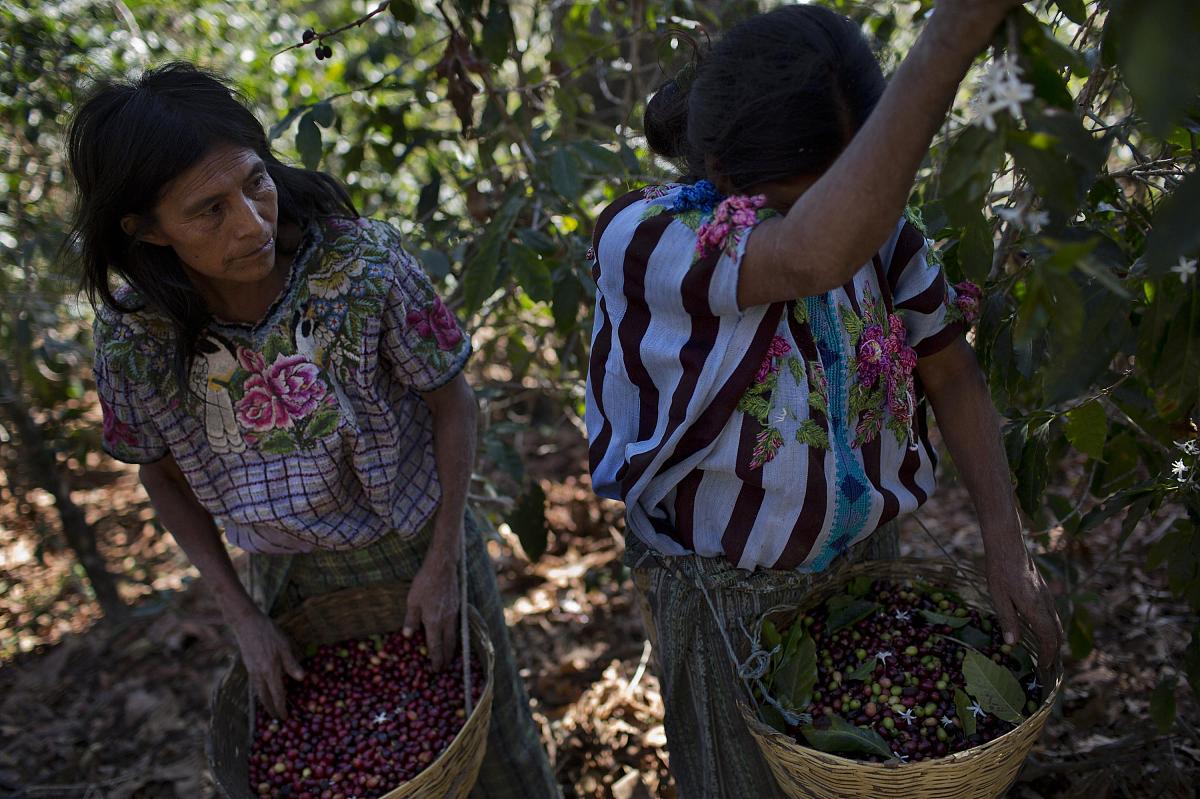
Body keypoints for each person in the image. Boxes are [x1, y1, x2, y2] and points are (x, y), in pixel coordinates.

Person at [585, 2, 1062, 796]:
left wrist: (1005, 542)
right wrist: (950, 36)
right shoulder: (651, 237)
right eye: (812, 195)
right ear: (730, 179)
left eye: (853, 186)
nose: (852, 213)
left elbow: (950, 371)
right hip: (729, 600)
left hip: (866, 575)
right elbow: (811, 258)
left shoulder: (879, 230)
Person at [69, 62, 559, 798]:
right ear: (145, 228)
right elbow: (160, 474)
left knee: (493, 749)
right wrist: (243, 616)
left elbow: (452, 404)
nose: (251, 221)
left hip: (419, 538)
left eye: (256, 183)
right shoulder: (134, 339)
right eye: (209, 210)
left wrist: (443, 563)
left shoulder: (358, 268)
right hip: (289, 576)